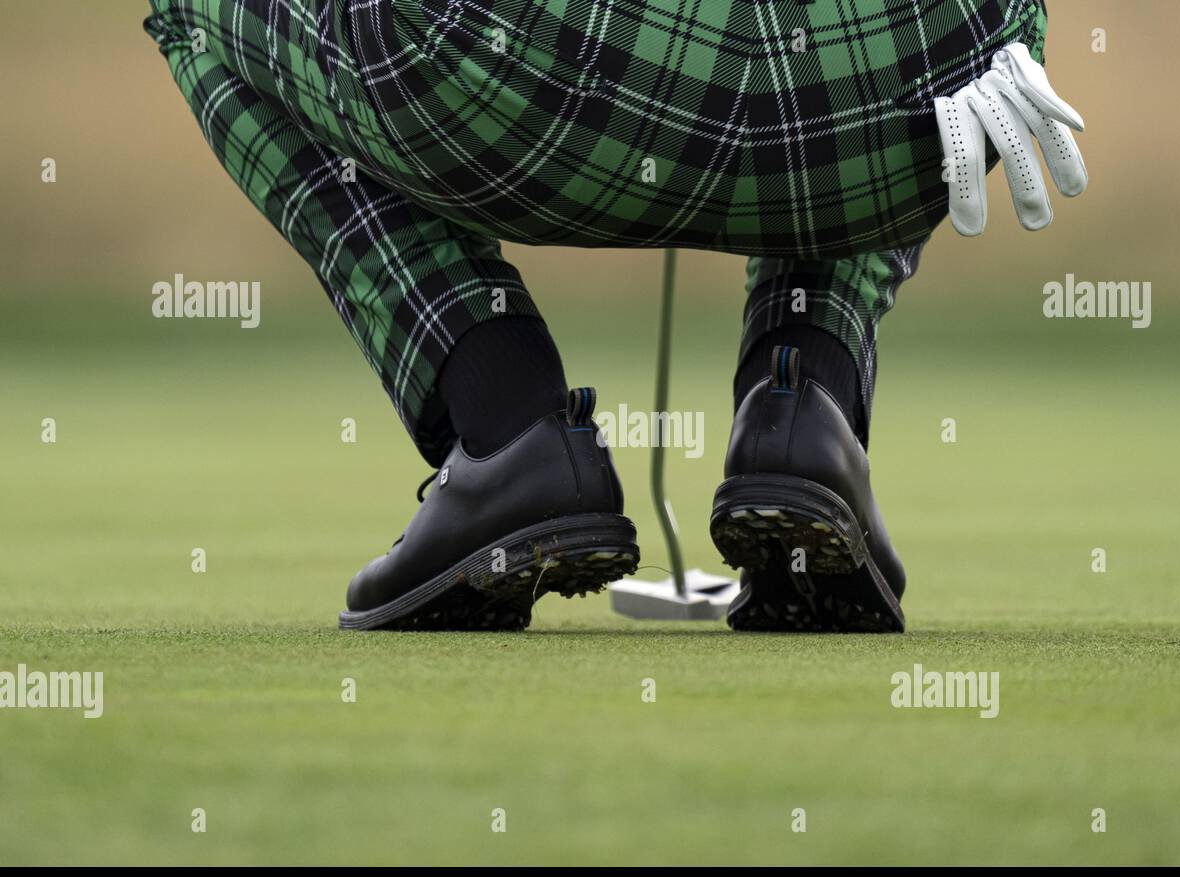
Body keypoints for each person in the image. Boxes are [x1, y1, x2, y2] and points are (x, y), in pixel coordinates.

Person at [143, 0, 1085, 631]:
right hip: (908, 83)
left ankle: (506, 418)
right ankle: (801, 404)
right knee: (946, 82)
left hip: (535, 70)